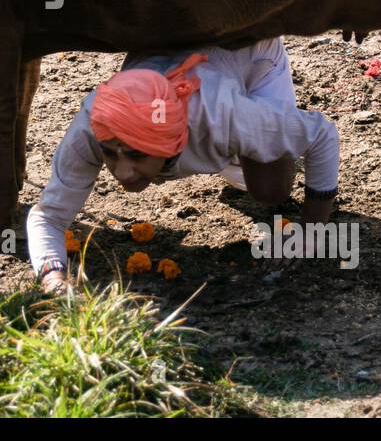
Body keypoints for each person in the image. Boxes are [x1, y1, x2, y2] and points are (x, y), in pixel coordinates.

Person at [27, 38, 340, 295]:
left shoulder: (223, 116)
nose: (121, 173)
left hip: (252, 56)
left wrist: (309, 235)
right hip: (197, 87)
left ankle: (249, 145)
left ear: (173, 141)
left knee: (270, 190)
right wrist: (53, 280)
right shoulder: (96, 120)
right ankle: (231, 151)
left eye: (137, 155)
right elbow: (48, 217)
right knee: (237, 143)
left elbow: (322, 135)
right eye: (110, 153)